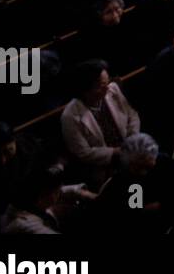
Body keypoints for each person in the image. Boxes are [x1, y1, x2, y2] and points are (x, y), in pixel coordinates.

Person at [60, 59, 142, 189]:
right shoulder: (70, 115)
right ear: (86, 90)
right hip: (105, 168)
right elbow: (83, 153)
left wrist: (132, 138)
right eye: (101, 85)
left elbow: (132, 115)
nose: (107, 87)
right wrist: (117, 152)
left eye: (107, 82)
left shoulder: (112, 89)